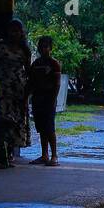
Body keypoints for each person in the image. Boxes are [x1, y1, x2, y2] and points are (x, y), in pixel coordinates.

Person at [0, 16, 31, 165]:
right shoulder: (0, 45)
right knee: (4, 117)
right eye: (12, 30)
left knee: (17, 120)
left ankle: (10, 152)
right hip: (3, 88)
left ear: (21, 32)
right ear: (8, 31)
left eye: (17, 31)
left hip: (19, 89)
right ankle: (1, 153)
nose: (14, 34)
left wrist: (27, 93)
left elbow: (29, 71)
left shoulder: (24, 49)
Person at [27, 35, 61, 166]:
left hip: (48, 99)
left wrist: (53, 99)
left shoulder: (54, 64)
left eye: (46, 46)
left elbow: (57, 84)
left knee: (50, 128)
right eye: (41, 47)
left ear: (50, 48)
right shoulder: (36, 64)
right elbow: (32, 82)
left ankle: (54, 155)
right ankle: (44, 154)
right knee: (41, 128)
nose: (43, 49)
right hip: (37, 99)